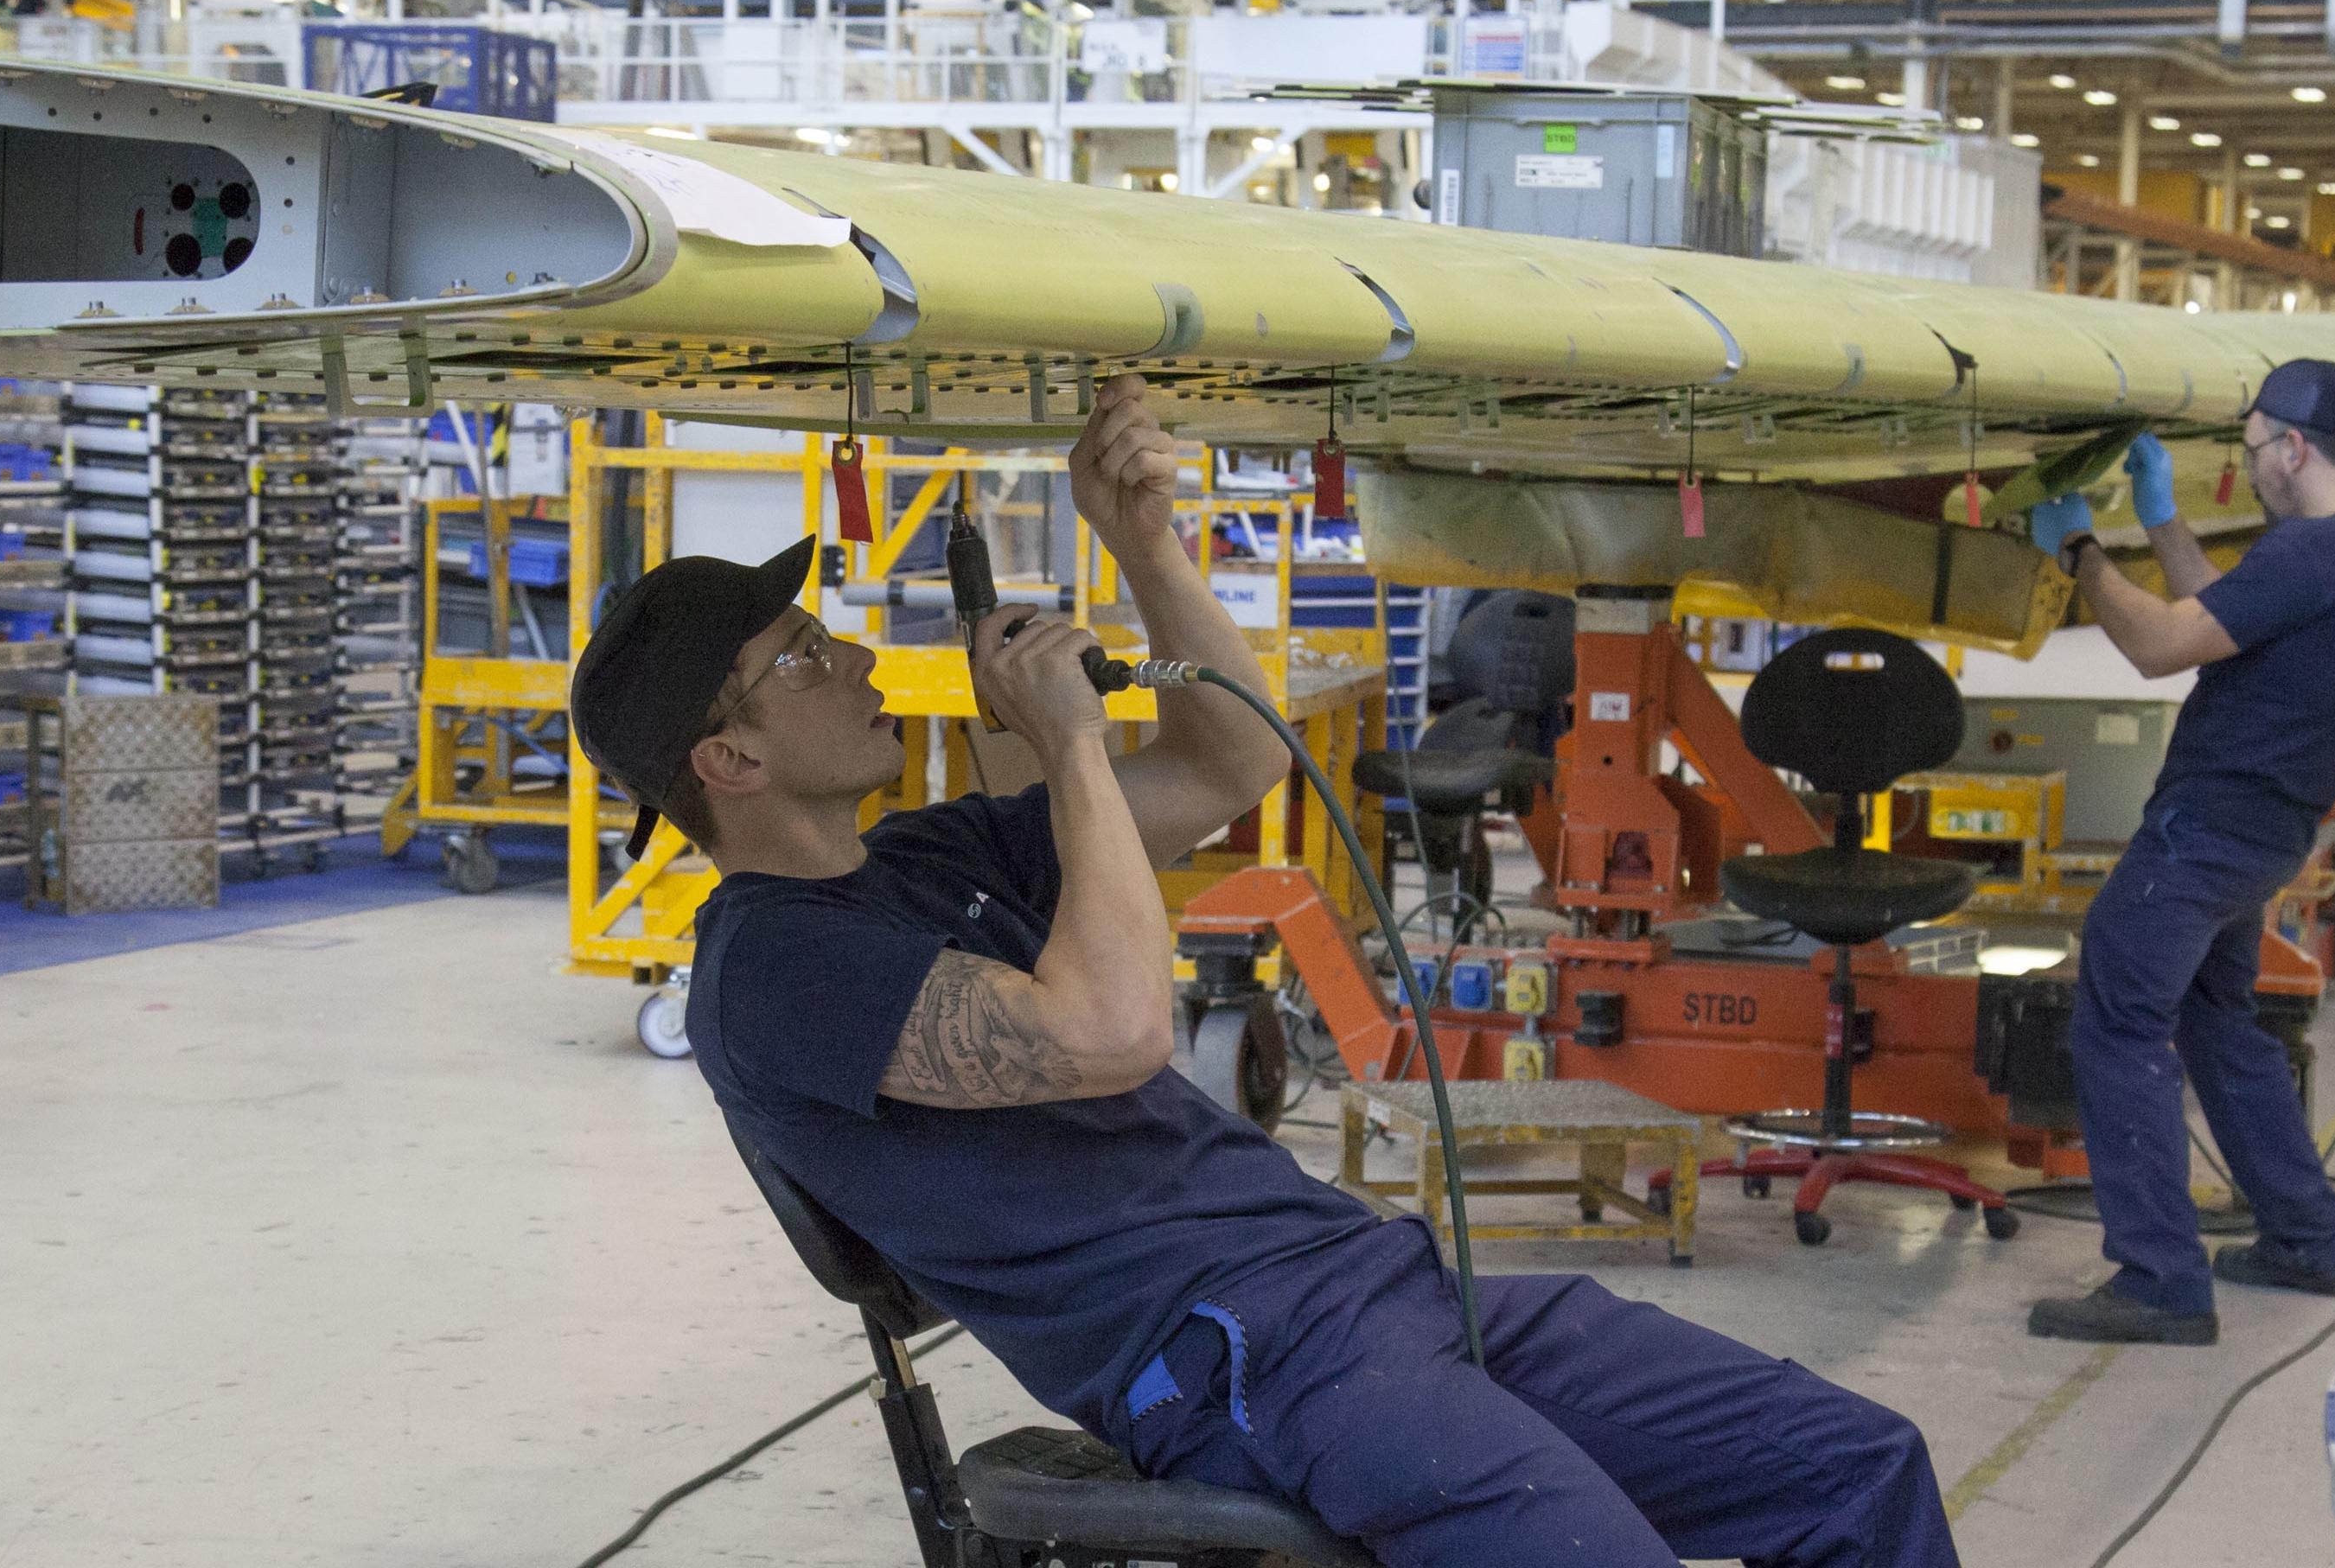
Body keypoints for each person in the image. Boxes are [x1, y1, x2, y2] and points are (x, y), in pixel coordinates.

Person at [568, 376, 1959, 1567]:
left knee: (1857, 1467)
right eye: (803, 659)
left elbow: (1235, 762)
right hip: (1243, 1355)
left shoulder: (930, 860)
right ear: (728, 762)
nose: (857, 654)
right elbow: (1110, 1030)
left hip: (1371, 1280)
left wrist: (1145, 547)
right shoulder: (770, 968)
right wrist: (1063, 749)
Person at [2018, 359, 2335, 1345]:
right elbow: (2226, 622)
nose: (2250, 475)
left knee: (2117, 1024)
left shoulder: (2316, 553)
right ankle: (2306, 1238)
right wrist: (2158, 523)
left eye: (2251, 455)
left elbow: (2161, 644)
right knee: (2218, 1025)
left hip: (2202, 832)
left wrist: (2079, 549)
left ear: (2292, 447)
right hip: (2266, 834)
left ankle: (2159, 1275)